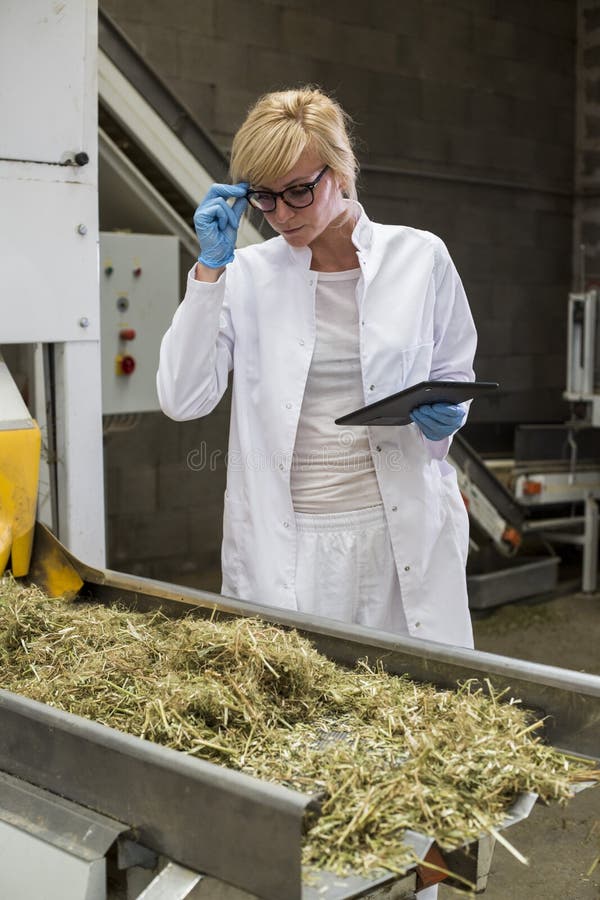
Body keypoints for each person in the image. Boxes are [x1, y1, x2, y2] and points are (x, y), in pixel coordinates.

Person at [158, 84, 476, 900]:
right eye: (263, 196)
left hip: (400, 535)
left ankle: (429, 889)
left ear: (341, 172)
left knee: (418, 740)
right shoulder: (249, 272)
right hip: (292, 548)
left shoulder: (420, 257)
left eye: (299, 190)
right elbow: (183, 395)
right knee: (311, 753)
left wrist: (447, 414)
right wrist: (207, 272)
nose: (281, 212)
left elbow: (459, 377)